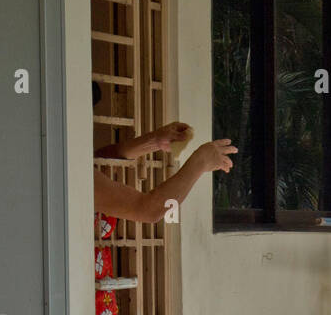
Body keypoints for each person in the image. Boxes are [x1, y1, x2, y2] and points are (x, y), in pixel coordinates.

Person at [92, 90, 235, 223]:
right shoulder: (75, 173)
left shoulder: (77, 163)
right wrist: (200, 163)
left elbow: (100, 162)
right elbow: (147, 210)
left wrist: (154, 141)